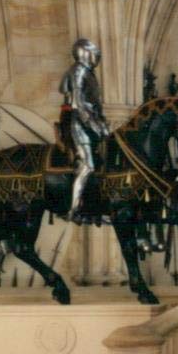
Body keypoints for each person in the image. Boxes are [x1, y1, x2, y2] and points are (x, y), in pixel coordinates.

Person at [59, 37, 111, 218]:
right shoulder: (78, 71)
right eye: (93, 53)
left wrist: (102, 124)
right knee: (87, 166)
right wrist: (96, 126)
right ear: (84, 53)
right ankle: (73, 209)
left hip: (88, 122)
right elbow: (79, 104)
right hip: (78, 124)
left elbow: (95, 105)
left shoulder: (88, 73)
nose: (96, 56)